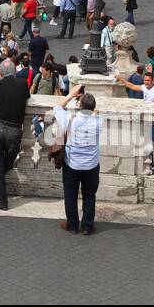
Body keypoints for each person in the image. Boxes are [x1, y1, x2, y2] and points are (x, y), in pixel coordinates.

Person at [52, 84, 102, 235]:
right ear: (93, 108)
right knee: (89, 195)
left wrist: (71, 95)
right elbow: (95, 115)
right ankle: (87, 226)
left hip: (72, 163)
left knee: (70, 193)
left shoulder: (69, 119)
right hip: (91, 165)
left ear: (79, 105)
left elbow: (57, 108)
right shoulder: (99, 121)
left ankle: (72, 225)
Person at [0, 59, 30, 211]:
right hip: (15, 131)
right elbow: (26, 98)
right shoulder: (23, 84)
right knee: (8, 164)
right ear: (15, 72)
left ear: (0, 73)